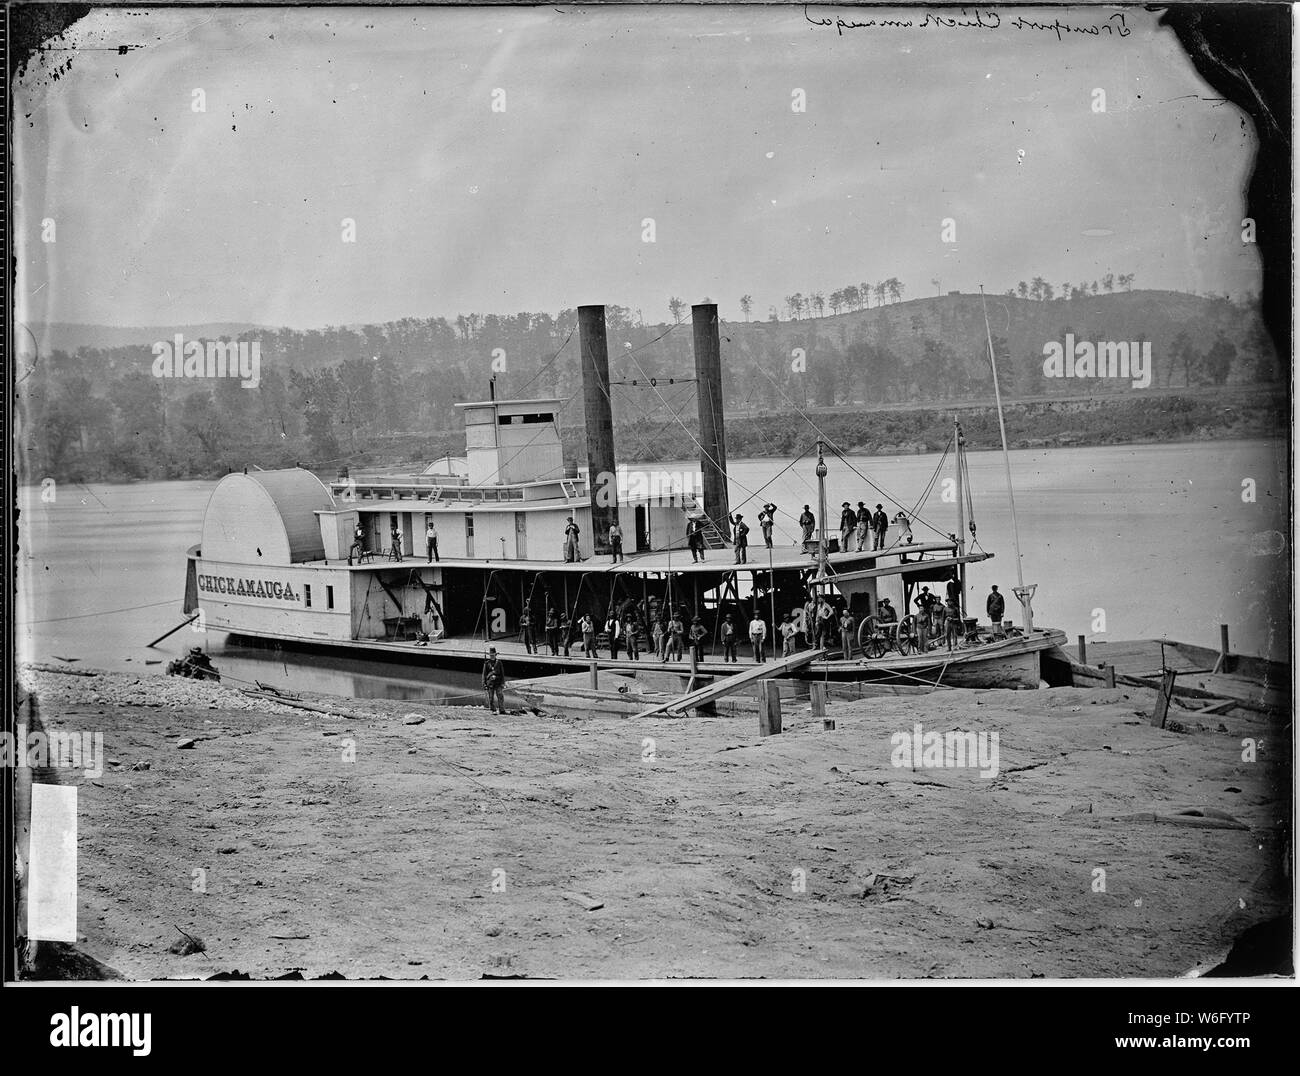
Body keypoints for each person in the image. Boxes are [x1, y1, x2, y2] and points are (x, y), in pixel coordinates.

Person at [483, 647, 507, 714]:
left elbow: (502, 674)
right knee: (491, 698)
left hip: (498, 682)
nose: (492, 656)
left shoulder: (499, 663)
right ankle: (493, 710)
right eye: (491, 655)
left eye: (493, 655)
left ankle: (502, 710)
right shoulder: (487, 663)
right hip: (490, 683)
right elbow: (484, 675)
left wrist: (503, 683)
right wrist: (484, 684)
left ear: (495, 655)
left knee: (500, 696)